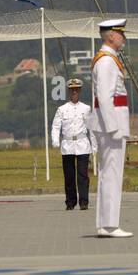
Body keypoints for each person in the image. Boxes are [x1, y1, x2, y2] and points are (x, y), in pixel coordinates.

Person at [89, 18, 133, 238]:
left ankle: (105, 223)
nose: (124, 37)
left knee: (108, 173)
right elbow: (105, 97)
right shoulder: (106, 61)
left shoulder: (108, 59)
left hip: (109, 122)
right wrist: (113, 127)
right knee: (112, 173)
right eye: (121, 33)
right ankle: (110, 225)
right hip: (110, 123)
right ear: (112, 36)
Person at [51, 78, 95, 210]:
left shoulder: (86, 108)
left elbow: (91, 127)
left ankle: (83, 202)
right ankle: (70, 202)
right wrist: (55, 140)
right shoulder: (62, 109)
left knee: (82, 175)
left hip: (82, 144)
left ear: (80, 91)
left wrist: (94, 144)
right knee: (69, 176)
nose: (74, 92)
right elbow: (56, 126)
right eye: (72, 90)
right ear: (69, 92)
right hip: (67, 144)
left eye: (76, 89)